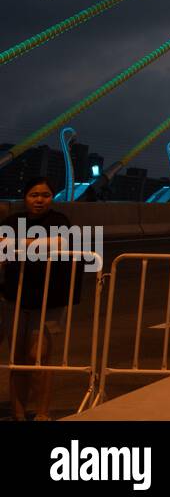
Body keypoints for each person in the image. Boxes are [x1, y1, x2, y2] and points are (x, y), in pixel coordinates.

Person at [0, 178, 85, 420]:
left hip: (48, 300)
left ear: (51, 198)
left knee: (38, 357)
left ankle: (42, 413)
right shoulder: (12, 221)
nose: (39, 200)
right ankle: (18, 414)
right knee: (17, 360)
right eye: (34, 194)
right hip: (13, 298)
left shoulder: (59, 221)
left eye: (45, 195)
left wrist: (14, 244)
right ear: (25, 197)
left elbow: (60, 243)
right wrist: (31, 245)